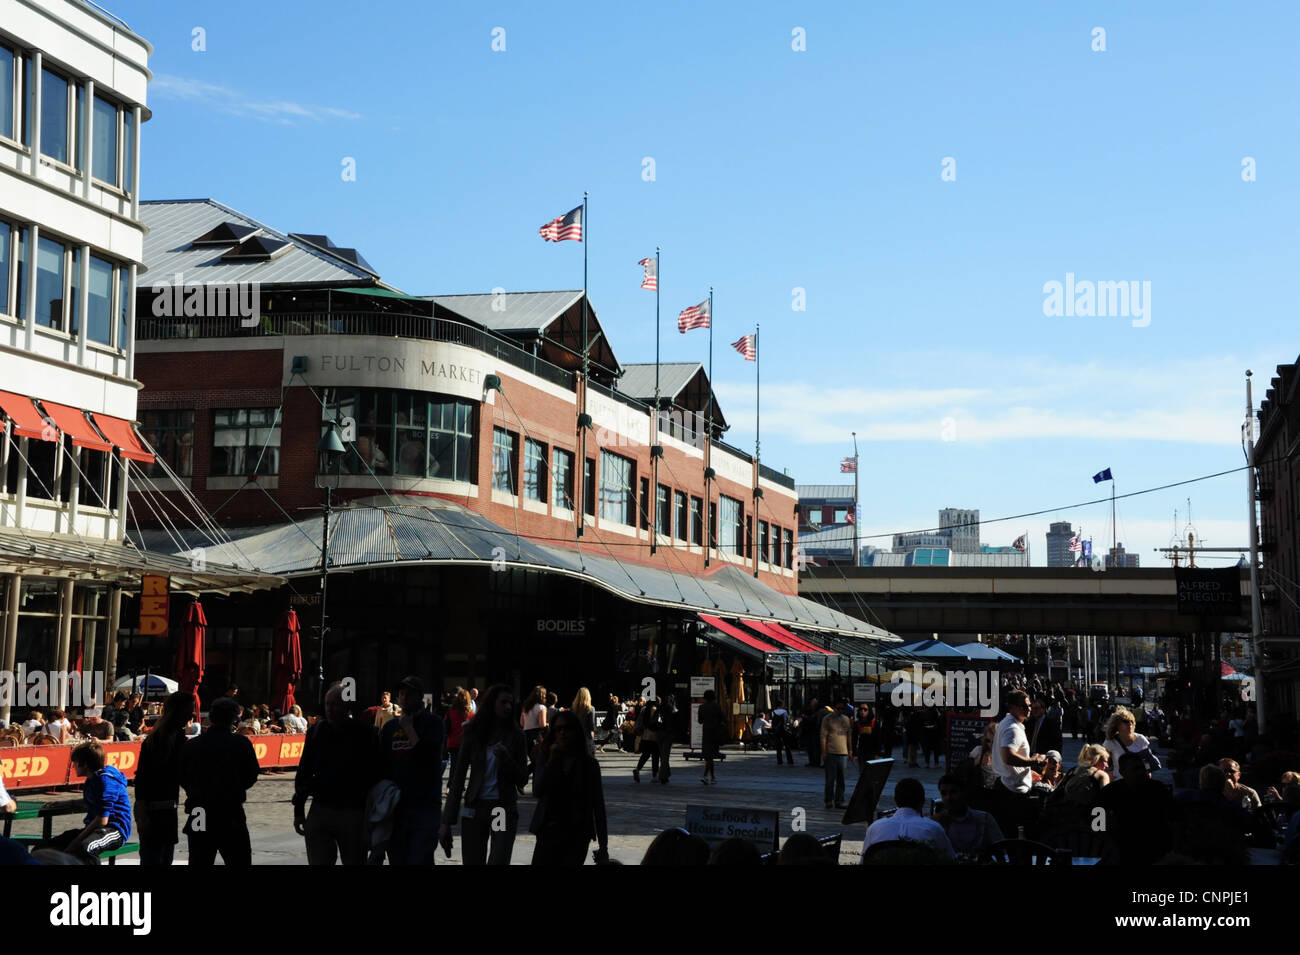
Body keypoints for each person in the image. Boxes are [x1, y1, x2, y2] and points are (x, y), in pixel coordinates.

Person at [440, 684, 529, 865]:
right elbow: (458, 779)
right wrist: (446, 822)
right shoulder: (473, 733)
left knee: (498, 858)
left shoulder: (516, 736)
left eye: (510, 703)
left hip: (500, 809)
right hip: (475, 808)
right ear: (491, 704)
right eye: (503, 702)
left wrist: (506, 759)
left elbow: (522, 779)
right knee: (473, 859)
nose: (508, 707)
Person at [293, 683, 379, 866]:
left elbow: (375, 774)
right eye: (327, 704)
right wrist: (299, 810)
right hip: (321, 809)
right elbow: (304, 773)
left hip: (353, 812)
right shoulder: (316, 732)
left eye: (336, 704)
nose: (330, 709)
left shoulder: (365, 733)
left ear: (347, 706)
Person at [180, 696, 261, 866]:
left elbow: (182, 775)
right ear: (233, 718)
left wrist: (195, 789)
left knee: (199, 858)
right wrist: (235, 787)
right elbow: (252, 774)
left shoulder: (192, 745)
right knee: (239, 858)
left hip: (199, 811)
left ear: (211, 717)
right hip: (230, 810)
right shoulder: (241, 744)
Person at [529, 710, 609, 865]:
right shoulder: (545, 757)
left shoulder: (589, 764)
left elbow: (598, 804)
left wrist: (603, 845)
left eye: (567, 728)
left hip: (577, 833)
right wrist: (552, 760)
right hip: (549, 830)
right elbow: (537, 790)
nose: (562, 733)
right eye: (558, 729)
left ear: (576, 732)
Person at [380, 675, 445, 865]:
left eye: (409, 694)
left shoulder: (433, 723)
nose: (404, 698)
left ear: (420, 698)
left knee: (420, 857)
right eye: (401, 694)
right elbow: (383, 765)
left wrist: (409, 729)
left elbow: (429, 758)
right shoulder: (390, 727)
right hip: (396, 807)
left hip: (424, 806)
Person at [44, 741, 132, 863]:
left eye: (74, 762)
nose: (73, 766)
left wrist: (76, 841)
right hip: (96, 829)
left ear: (84, 764)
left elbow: (102, 820)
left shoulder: (106, 782)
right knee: (47, 847)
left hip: (115, 830)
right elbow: (91, 802)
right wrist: (66, 802)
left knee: (85, 848)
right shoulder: (92, 779)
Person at [134, 691, 194, 866]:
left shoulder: (170, 737)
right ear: (177, 712)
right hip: (154, 807)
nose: (190, 717)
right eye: (188, 713)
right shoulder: (163, 740)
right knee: (156, 857)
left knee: (159, 855)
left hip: (164, 806)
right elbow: (144, 778)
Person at [1097, 752, 1173, 865]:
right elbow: (1097, 822)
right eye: (1135, 769)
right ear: (1122, 772)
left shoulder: (1158, 790)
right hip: (1119, 847)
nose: (1141, 772)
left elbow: (1173, 819)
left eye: (1143, 769)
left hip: (1153, 846)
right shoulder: (1110, 792)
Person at [991, 690, 1048, 836]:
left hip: (1009, 786)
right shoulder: (1012, 728)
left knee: (1011, 832)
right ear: (1012, 708)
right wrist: (1035, 761)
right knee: (1019, 834)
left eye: (1029, 705)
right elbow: (1008, 757)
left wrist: (1027, 772)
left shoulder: (1008, 723)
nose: (1029, 709)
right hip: (1014, 791)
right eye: (1024, 706)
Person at [860, 778, 955, 862]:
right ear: (922, 802)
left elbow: (864, 860)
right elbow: (950, 859)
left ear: (895, 800)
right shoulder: (933, 828)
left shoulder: (875, 828)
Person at [935, 773, 1003, 859]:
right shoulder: (937, 822)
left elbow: (1001, 848)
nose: (948, 797)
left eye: (953, 792)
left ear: (963, 793)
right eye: (944, 794)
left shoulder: (984, 818)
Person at [1103, 706, 1160, 773]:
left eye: (1132, 721)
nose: (1130, 724)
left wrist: (1148, 773)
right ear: (1117, 724)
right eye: (1126, 721)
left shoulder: (1140, 739)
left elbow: (1146, 761)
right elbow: (1105, 765)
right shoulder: (1110, 742)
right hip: (1119, 781)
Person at [820, 701, 854, 809]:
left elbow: (849, 736)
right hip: (831, 752)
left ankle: (839, 800)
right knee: (830, 779)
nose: (840, 711)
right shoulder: (827, 719)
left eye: (842, 709)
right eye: (838, 708)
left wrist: (850, 751)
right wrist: (824, 752)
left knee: (841, 779)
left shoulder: (846, 719)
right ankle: (828, 800)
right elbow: (823, 737)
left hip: (843, 753)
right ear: (834, 708)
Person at [520, 685, 549, 788]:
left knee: (534, 761)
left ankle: (524, 779)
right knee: (538, 761)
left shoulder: (526, 707)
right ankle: (529, 782)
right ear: (542, 695)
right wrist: (547, 724)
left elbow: (522, 723)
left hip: (525, 735)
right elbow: (542, 724)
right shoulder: (541, 707)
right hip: (536, 736)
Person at [443, 688, 473, 777]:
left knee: (454, 765)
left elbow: (446, 729)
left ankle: (451, 785)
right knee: (463, 766)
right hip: (465, 744)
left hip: (453, 743)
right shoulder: (471, 715)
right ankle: (460, 785)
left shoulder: (450, 713)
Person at [697, 689, 725, 785]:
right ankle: (706, 776)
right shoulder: (717, 706)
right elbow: (722, 718)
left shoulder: (701, 707)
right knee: (711, 756)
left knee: (708, 757)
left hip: (706, 733)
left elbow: (700, 721)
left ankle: (711, 777)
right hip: (715, 733)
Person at [632, 698, 661, 783]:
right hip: (654, 737)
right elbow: (656, 723)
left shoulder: (644, 709)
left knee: (645, 755)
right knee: (655, 756)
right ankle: (654, 776)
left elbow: (640, 722)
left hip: (645, 736)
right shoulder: (656, 710)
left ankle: (637, 769)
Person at [770, 698, 795, 766]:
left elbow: (773, 721)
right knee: (787, 746)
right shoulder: (785, 712)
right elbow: (787, 720)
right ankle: (790, 761)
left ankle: (779, 761)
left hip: (777, 731)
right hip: (784, 730)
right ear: (782, 705)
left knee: (778, 747)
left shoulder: (773, 712)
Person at [572, 687, 596, 755]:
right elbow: (591, 726)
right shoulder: (591, 709)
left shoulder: (573, 708)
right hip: (587, 737)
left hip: (574, 737)